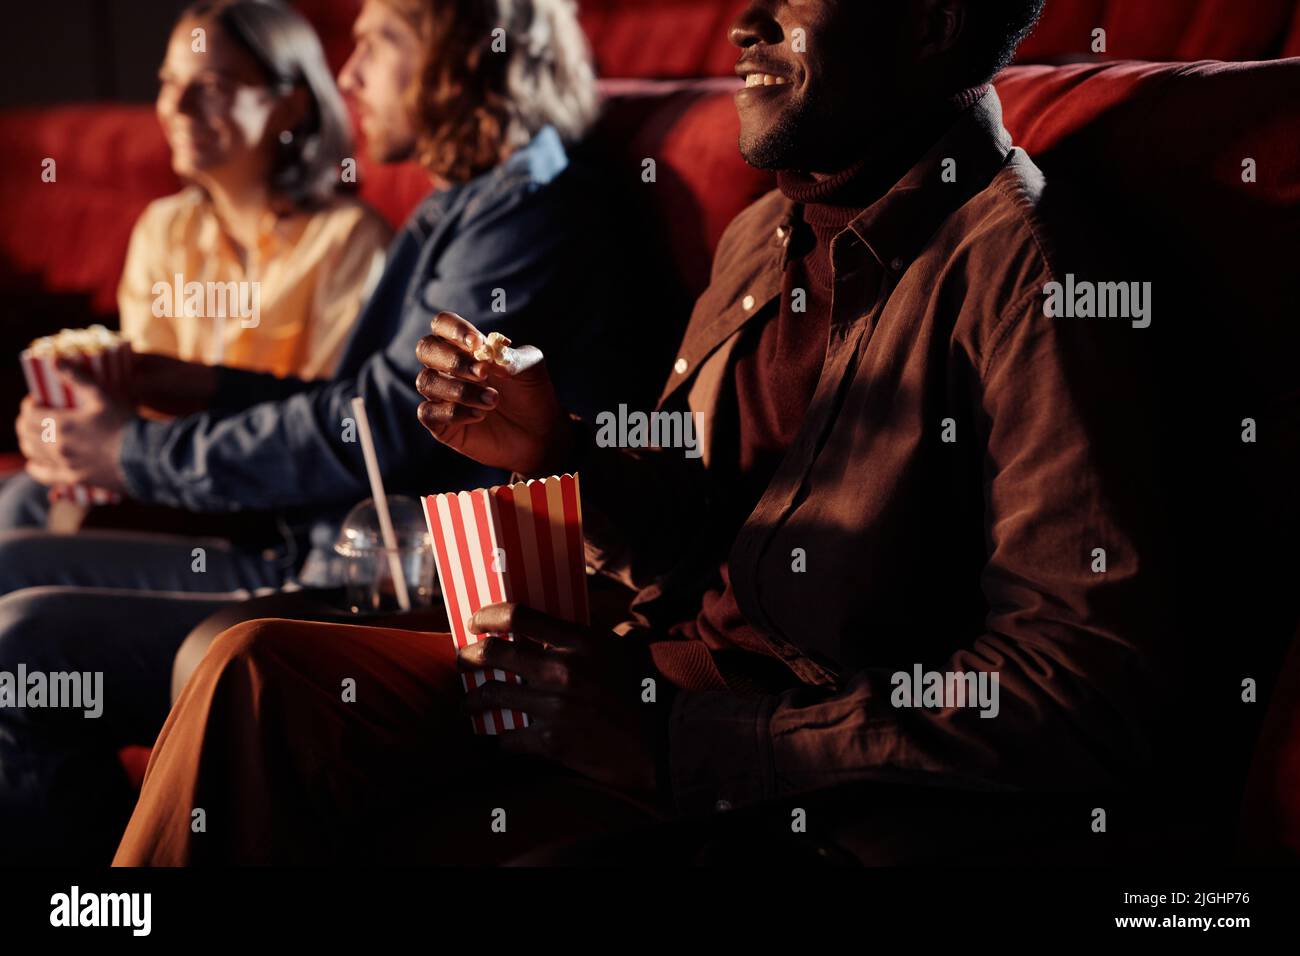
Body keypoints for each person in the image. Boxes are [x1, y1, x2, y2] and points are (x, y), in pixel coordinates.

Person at [114, 0, 1187, 865]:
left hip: (802, 780)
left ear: (930, 21)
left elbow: (1079, 685)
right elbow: (697, 525)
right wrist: (556, 452)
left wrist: (678, 739)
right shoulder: (760, 237)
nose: (744, 21)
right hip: (646, 680)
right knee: (255, 673)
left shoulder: (1037, 273)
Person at [0, 0, 630, 865]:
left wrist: (131, 453)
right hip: (329, 544)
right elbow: (358, 402)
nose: (348, 73)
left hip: (396, 582)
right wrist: (195, 381)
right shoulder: (471, 201)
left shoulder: (529, 209)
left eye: (378, 43)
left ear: (457, 59)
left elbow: (392, 426)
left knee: (17, 646)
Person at [0, 0, 391, 531]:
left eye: (211, 86)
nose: (177, 108)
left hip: (272, 503)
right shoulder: (163, 227)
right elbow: (143, 392)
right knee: (23, 493)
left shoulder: (349, 239)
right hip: (165, 477)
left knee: (23, 514)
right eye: (168, 82)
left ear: (291, 107)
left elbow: (327, 422)